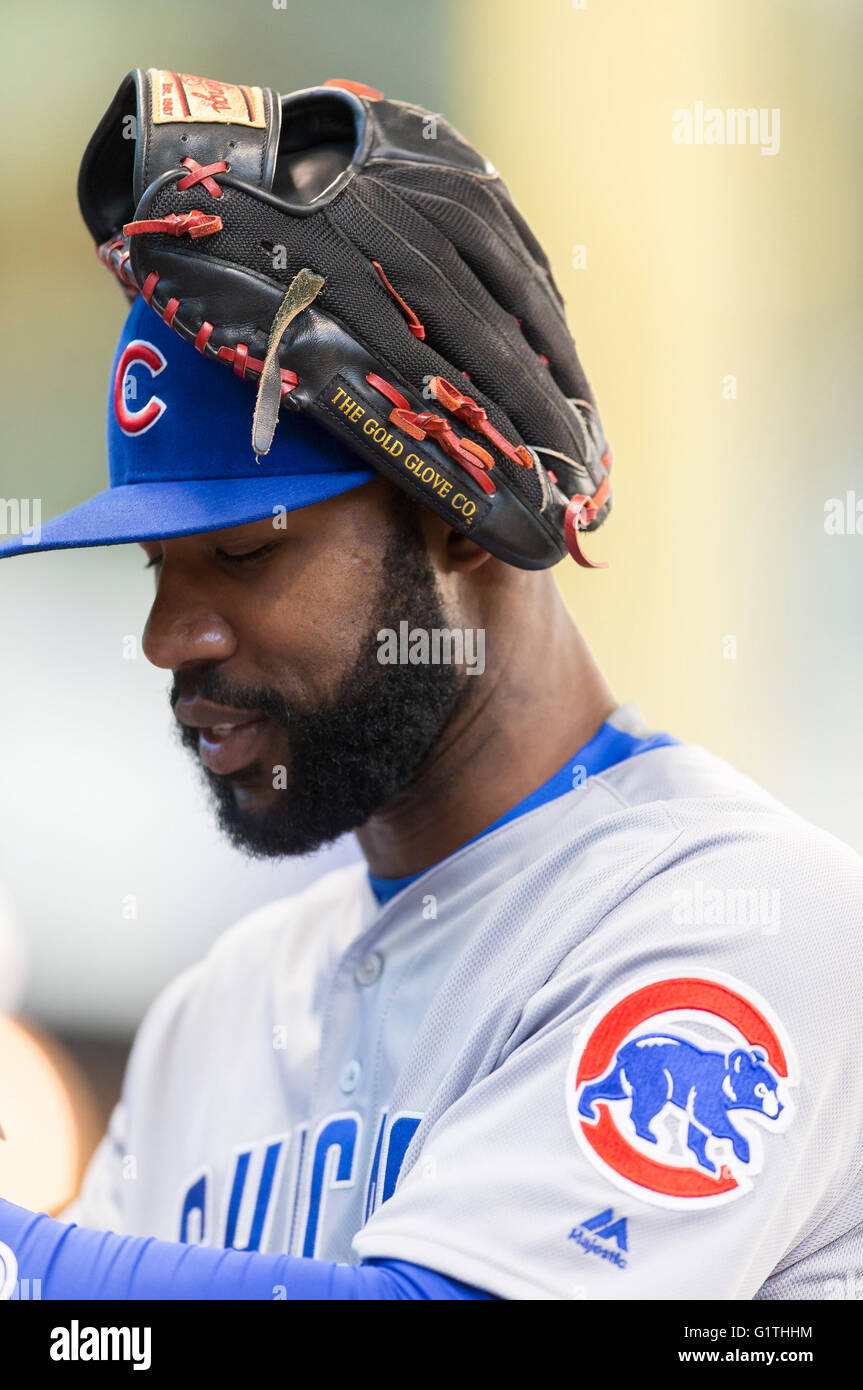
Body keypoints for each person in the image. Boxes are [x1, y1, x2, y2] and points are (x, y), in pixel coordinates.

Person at [0, 72, 861, 1302]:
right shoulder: (218, 1014)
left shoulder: (751, 920)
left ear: (460, 516)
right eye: (158, 565)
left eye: (244, 552)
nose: (170, 637)